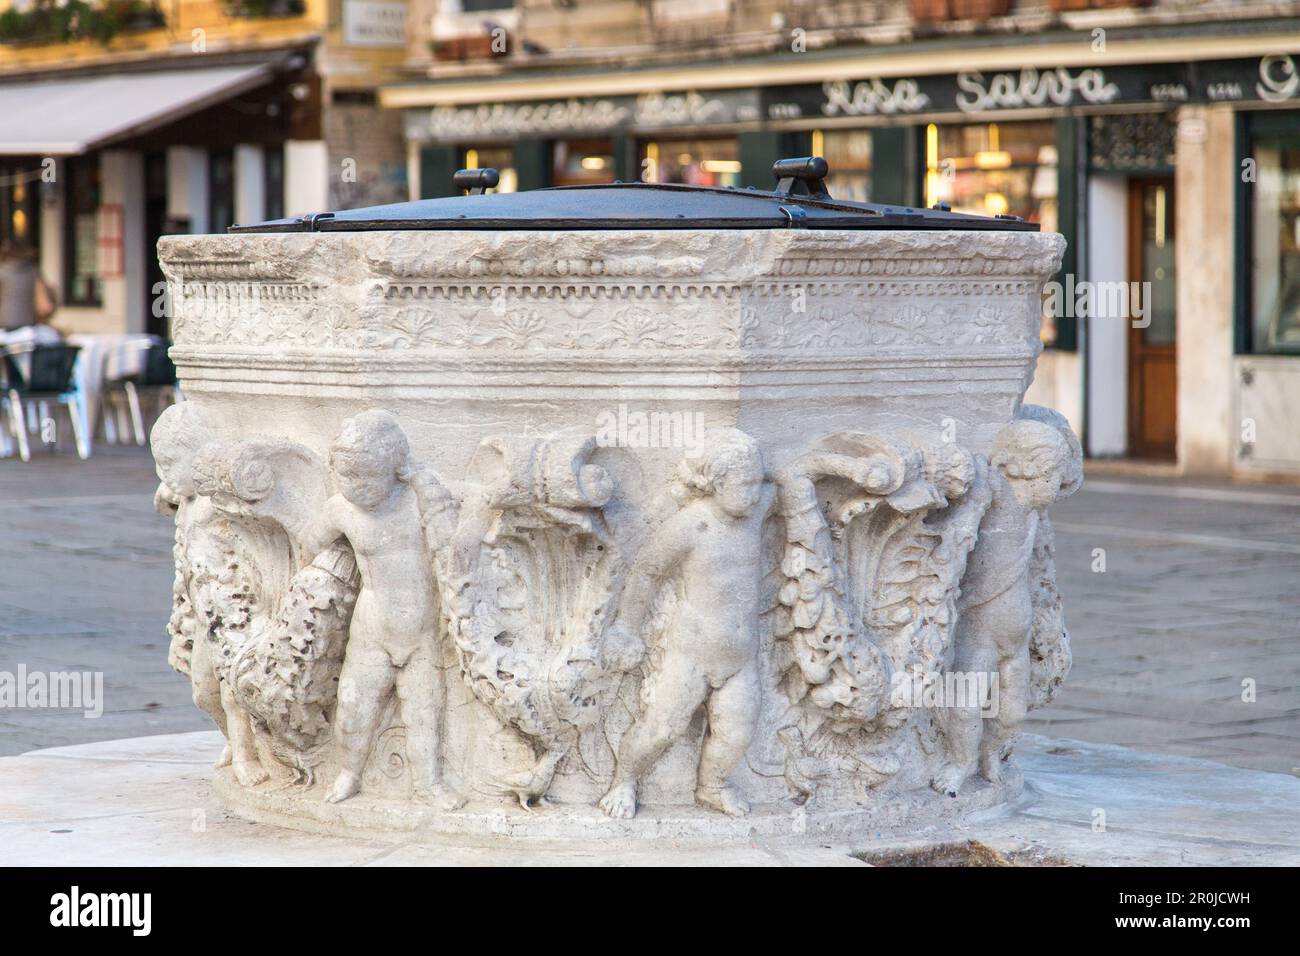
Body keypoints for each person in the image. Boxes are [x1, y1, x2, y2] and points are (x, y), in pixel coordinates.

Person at [599, 428, 775, 819]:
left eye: (758, 480)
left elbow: (788, 480)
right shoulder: (691, 525)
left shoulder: (757, 510)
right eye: (745, 484)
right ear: (714, 483)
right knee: (662, 728)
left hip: (740, 656)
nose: (755, 491)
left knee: (736, 732)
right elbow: (647, 572)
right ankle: (624, 779)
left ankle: (712, 786)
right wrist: (626, 627)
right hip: (692, 651)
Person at [306, 410, 463, 809]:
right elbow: (310, 543)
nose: (355, 488)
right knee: (353, 709)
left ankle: (429, 785)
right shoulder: (342, 509)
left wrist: (428, 485)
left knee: (424, 717)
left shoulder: (417, 503)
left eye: (366, 477)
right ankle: (349, 773)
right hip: (371, 630)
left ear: (394, 468)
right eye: (346, 476)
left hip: (423, 634)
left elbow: (453, 548)